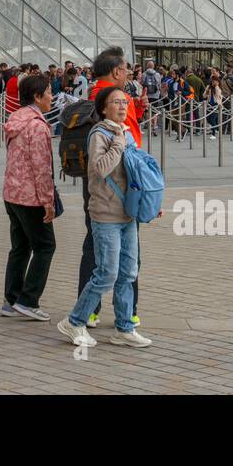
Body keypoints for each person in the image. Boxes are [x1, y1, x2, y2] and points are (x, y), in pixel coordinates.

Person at [58, 87, 151, 350]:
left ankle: (124, 328)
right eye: (116, 102)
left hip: (128, 213)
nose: (122, 106)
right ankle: (74, 321)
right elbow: (99, 169)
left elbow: (136, 172)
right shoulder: (99, 134)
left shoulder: (125, 131)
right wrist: (119, 143)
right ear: (103, 108)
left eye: (125, 102)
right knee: (107, 273)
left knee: (128, 272)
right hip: (106, 213)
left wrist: (148, 201)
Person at [82, 48, 141, 330]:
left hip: (95, 188)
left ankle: (93, 311)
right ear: (117, 71)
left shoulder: (89, 93)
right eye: (126, 68)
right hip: (117, 186)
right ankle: (126, 315)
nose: (128, 73)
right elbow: (132, 148)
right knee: (125, 264)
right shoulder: (117, 99)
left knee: (93, 247)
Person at [1, 73, 57, 321]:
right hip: (30, 197)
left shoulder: (15, 119)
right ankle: (28, 300)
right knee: (46, 246)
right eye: (49, 92)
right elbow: (41, 167)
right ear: (37, 96)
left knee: (20, 247)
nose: (52, 96)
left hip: (11, 193)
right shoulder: (37, 126)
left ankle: (11, 300)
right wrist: (48, 201)